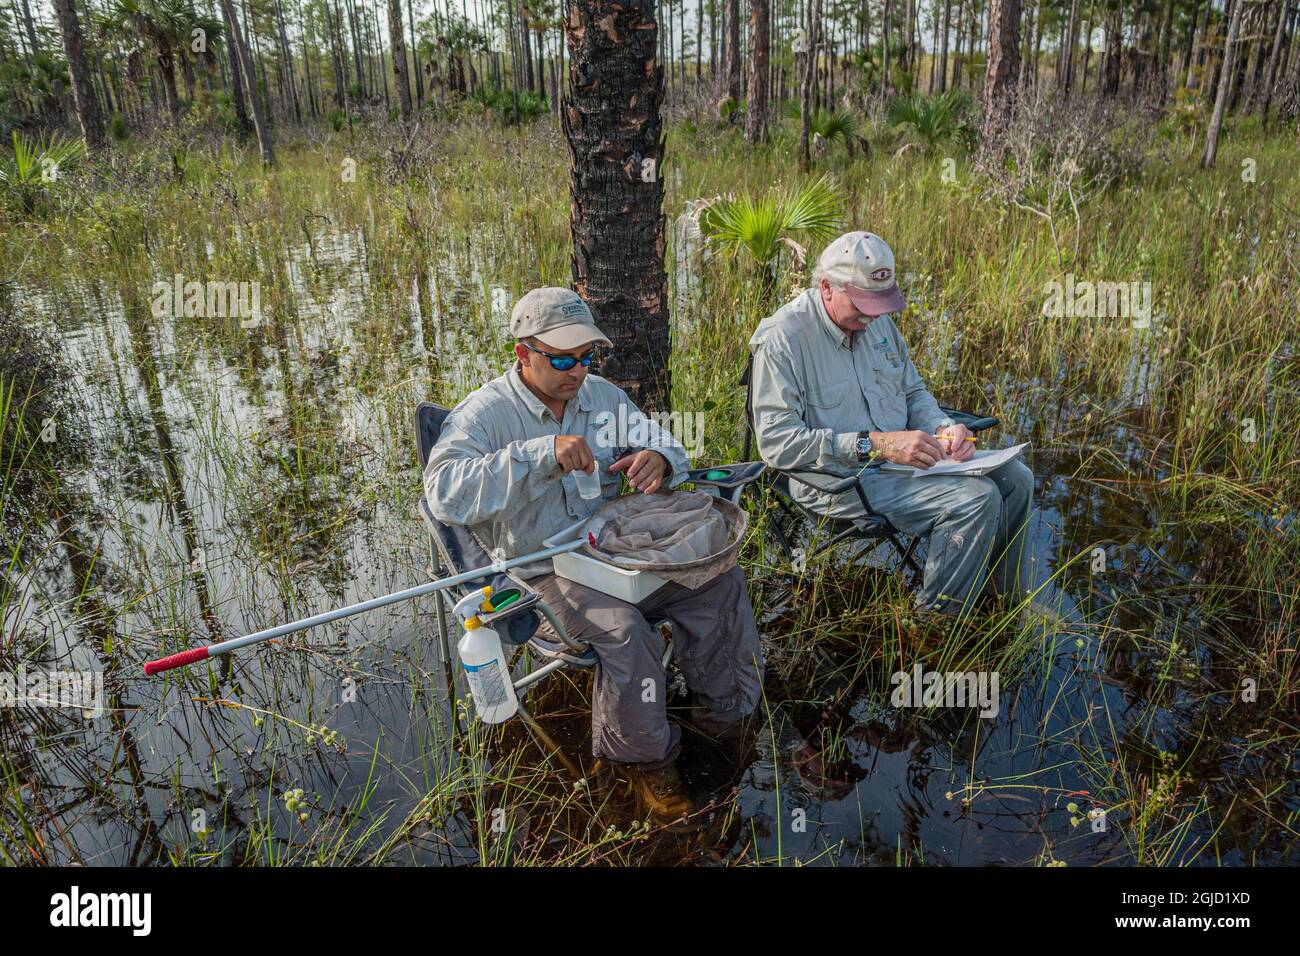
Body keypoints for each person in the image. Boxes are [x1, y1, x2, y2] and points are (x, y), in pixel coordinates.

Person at [425, 286, 764, 822]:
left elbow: (667, 444)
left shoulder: (602, 398)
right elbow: (444, 492)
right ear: (523, 353)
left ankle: (724, 717)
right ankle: (646, 762)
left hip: (613, 548)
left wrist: (659, 459)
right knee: (624, 630)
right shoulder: (484, 415)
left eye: (586, 357)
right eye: (562, 358)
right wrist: (541, 454)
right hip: (540, 569)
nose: (578, 371)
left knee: (718, 582)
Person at [748, 231, 1035, 616]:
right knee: (976, 499)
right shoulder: (784, 339)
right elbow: (777, 444)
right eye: (864, 303)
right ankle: (935, 624)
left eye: (880, 303)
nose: (873, 315)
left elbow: (913, 394)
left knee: (1017, 479)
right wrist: (879, 444)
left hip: (904, 465)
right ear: (827, 287)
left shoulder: (876, 323)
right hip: (839, 481)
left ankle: (1001, 600)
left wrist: (943, 428)